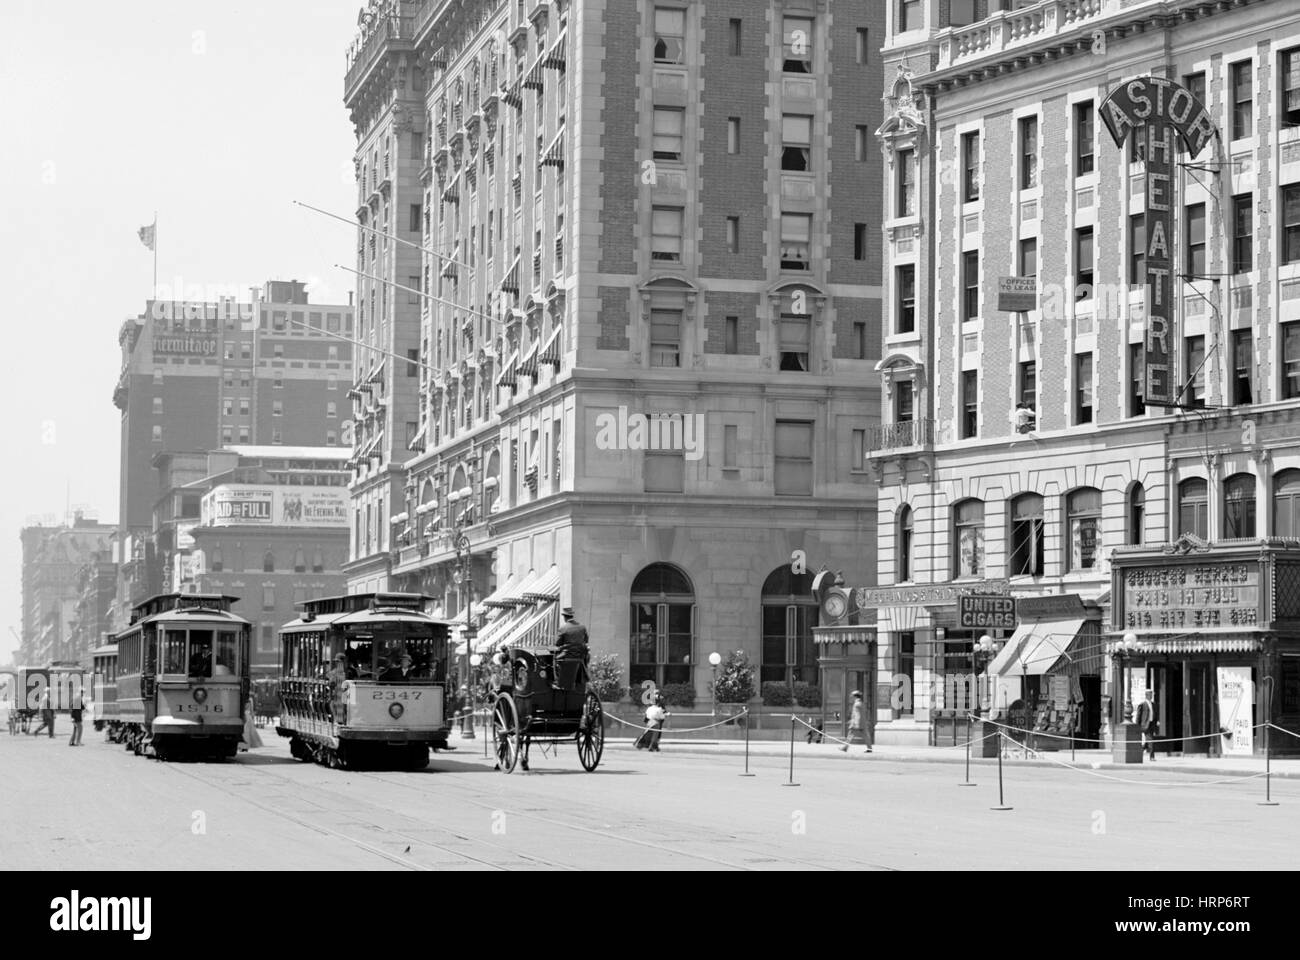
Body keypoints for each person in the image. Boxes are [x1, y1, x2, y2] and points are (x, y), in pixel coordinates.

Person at [1135, 689, 1157, 761]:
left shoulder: (1153, 704)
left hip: (1151, 724)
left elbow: (1155, 714)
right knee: (1151, 740)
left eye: (1152, 694)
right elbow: (1138, 716)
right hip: (1145, 725)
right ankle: (1152, 756)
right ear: (1146, 695)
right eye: (1150, 694)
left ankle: (1140, 750)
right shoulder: (1142, 704)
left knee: (1148, 741)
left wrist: (1157, 721)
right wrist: (1137, 726)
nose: (1151, 696)